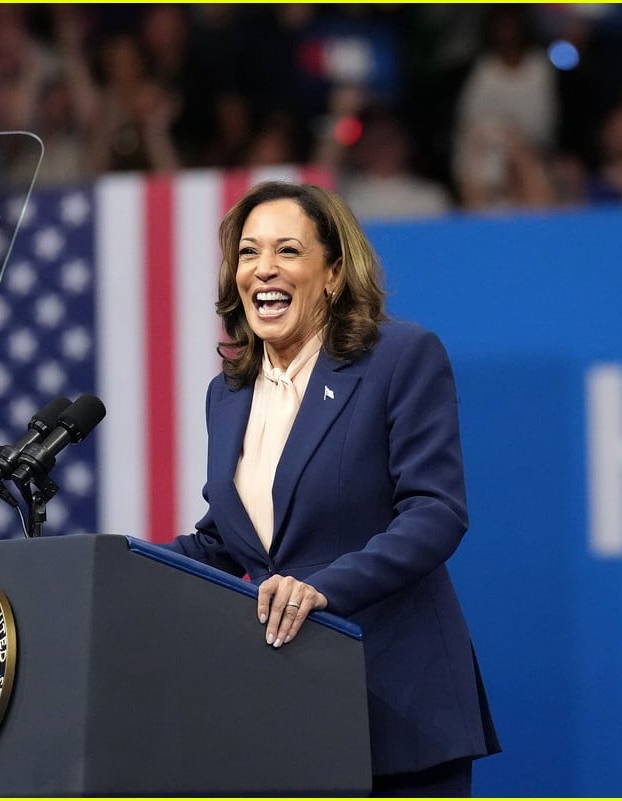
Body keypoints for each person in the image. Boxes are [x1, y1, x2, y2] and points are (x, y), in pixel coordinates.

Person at [165, 181, 499, 796]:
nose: (263, 268)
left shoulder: (399, 357)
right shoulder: (229, 394)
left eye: (288, 251)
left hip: (396, 702)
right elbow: (227, 538)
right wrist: (116, 562)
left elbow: (435, 512)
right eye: (248, 253)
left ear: (334, 274)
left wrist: (320, 589)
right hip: (289, 711)